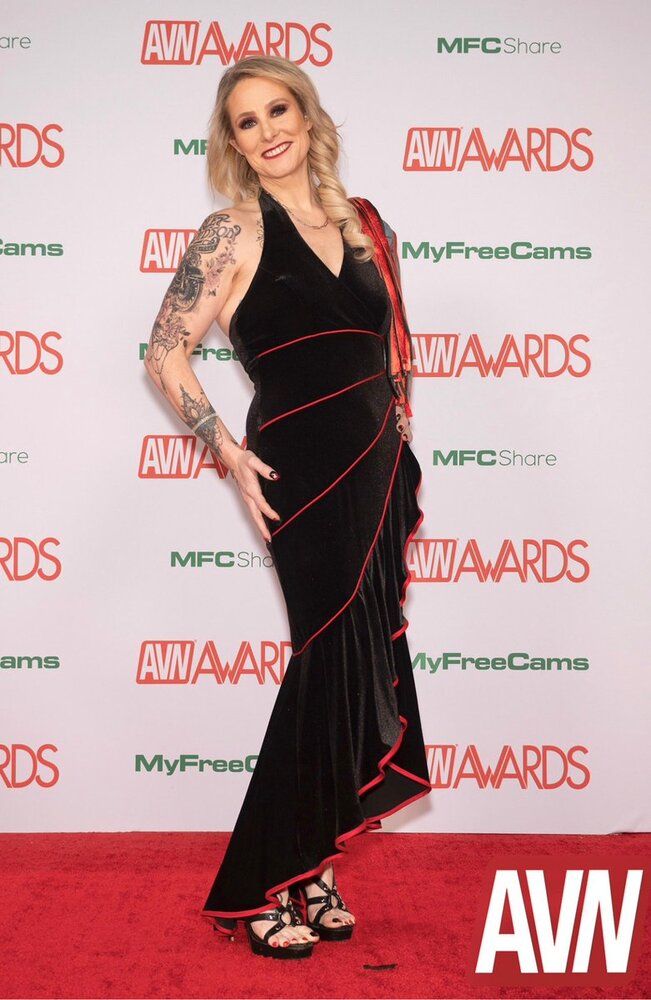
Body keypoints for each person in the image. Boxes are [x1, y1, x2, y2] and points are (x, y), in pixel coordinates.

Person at [143, 54, 432, 960]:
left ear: (307, 117)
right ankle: (257, 883)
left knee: (354, 658)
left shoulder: (367, 225)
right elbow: (163, 352)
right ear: (231, 142)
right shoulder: (226, 234)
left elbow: (392, 352)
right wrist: (226, 453)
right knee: (322, 658)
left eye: (278, 110)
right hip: (297, 473)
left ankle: (314, 868)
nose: (267, 131)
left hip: (375, 464)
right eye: (246, 121)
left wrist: (397, 431)